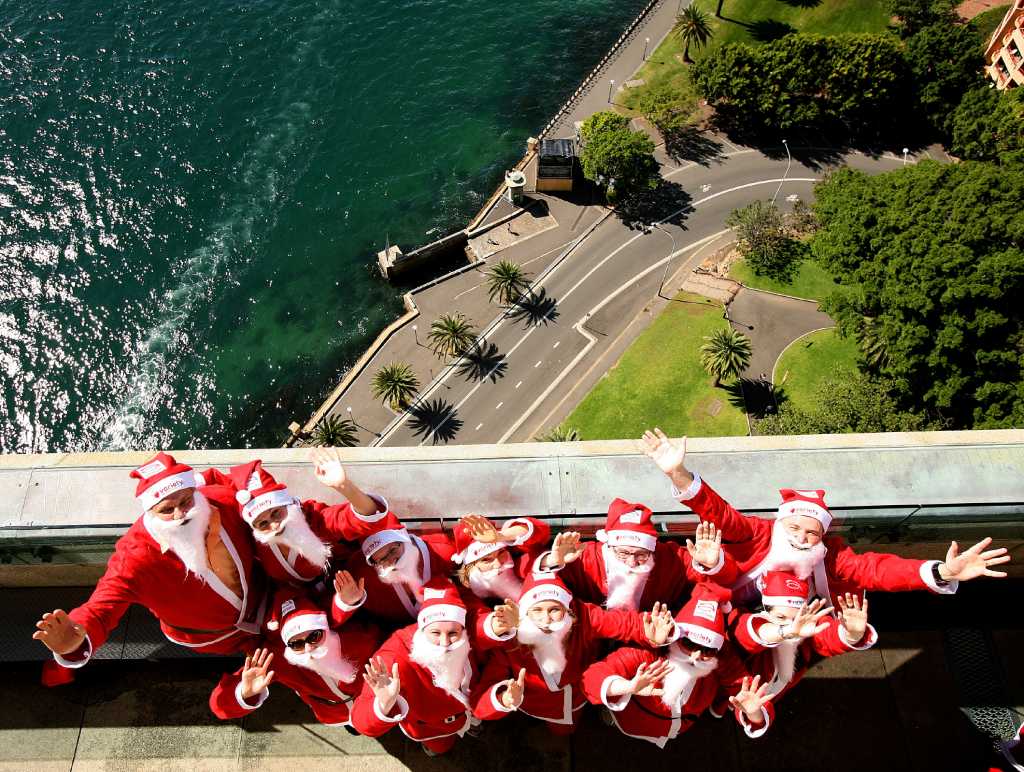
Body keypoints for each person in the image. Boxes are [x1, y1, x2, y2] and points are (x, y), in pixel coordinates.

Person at [641, 428, 1011, 607]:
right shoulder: (758, 533)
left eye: (812, 533)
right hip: (718, 599)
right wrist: (678, 473)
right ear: (781, 523)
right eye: (795, 527)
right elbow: (718, 513)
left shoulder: (831, 557)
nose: (802, 538)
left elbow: (879, 571)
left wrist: (941, 572)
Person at [33, 453, 267, 681]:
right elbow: (101, 608)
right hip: (214, 637)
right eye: (167, 510)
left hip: (262, 603)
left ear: (195, 491)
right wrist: (74, 645)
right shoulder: (135, 556)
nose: (180, 515)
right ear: (151, 511)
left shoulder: (222, 501)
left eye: (186, 501)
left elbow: (252, 487)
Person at [471, 571, 678, 734]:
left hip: (578, 697)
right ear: (525, 613)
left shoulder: (584, 616)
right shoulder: (510, 641)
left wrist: (651, 632)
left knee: (567, 729)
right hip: (534, 704)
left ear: (567, 610)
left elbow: (622, 623)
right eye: (537, 610)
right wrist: (503, 699)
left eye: (554, 609)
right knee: (552, 728)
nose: (546, 619)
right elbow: (479, 704)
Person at [581, 582, 774, 748]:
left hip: (679, 728)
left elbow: (748, 691)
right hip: (631, 720)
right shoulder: (647, 655)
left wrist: (755, 713)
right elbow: (591, 678)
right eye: (689, 644)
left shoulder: (722, 659)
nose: (696, 656)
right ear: (677, 638)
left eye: (707, 650)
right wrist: (627, 687)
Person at [208, 574, 380, 726]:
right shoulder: (277, 660)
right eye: (296, 644)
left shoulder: (360, 636)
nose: (309, 648)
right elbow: (219, 706)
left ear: (325, 628)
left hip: (373, 701)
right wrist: (243, 692)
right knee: (352, 727)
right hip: (332, 714)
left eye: (314, 636)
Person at [350, 580, 484, 756]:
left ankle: (469, 723)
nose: (444, 643)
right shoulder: (396, 656)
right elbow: (360, 720)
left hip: (467, 709)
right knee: (441, 745)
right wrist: (382, 705)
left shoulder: (467, 638)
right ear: (422, 628)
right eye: (435, 633)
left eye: (452, 633)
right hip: (432, 727)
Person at [537, 498, 736, 611]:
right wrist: (552, 561)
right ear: (609, 545)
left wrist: (713, 564)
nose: (632, 562)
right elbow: (532, 579)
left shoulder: (670, 558)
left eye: (642, 554)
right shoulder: (585, 556)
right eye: (623, 553)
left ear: (653, 549)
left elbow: (723, 582)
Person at [229, 449, 389, 586]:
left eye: (276, 513)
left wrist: (344, 486)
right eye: (263, 523)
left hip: (348, 577)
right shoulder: (258, 543)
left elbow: (364, 516)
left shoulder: (315, 519)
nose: (274, 526)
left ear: (289, 503)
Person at [727, 571, 876, 702]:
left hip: (766, 699)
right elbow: (746, 634)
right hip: (732, 692)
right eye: (780, 617)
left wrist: (851, 635)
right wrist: (785, 631)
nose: (792, 624)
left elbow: (827, 634)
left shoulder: (806, 626)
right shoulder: (742, 618)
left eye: (796, 617)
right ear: (763, 609)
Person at [344, 513, 455, 625]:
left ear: (405, 539)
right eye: (381, 560)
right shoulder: (366, 579)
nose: (391, 561)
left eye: (392, 551)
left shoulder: (443, 551)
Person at [452, 514, 551, 603]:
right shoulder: (466, 597)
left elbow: (540, 531)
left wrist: (500, 536)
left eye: (501, 553)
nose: (498, 564)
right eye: (486, 560)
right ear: (469, 568)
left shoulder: (521, 565)